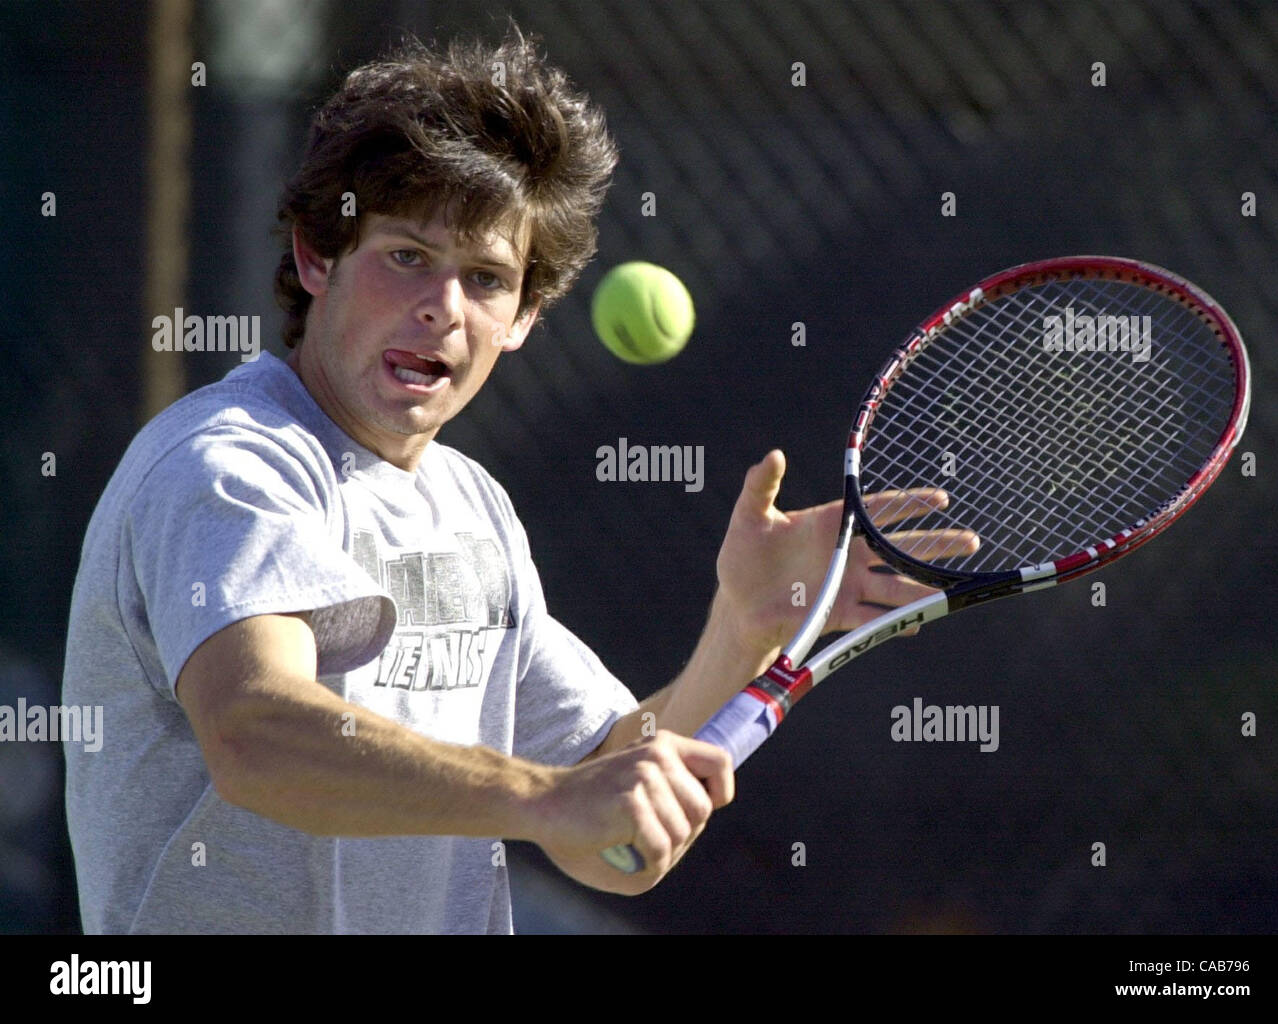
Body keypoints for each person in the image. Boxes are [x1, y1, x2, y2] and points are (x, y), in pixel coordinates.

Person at [62, 27, 968, 934]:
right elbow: (255, 734)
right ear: (315, 257)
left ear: (525, 317)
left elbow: (607, 828)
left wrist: (742, 630)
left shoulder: (471, 509)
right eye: (407, 255)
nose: (443, 309)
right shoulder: (227, 466)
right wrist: (542, 799)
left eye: (487, 279)